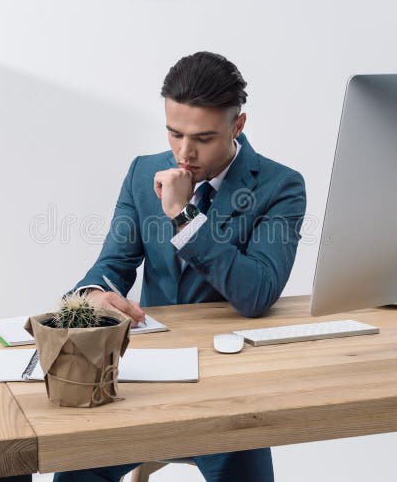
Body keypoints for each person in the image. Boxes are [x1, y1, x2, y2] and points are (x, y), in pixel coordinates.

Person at [55, 51, 306, 482]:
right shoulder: (143, 173)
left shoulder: (279, 186)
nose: (184, 152)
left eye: (203, 138)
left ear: (238, 126)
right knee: (76, 469)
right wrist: (94, 296)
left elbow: (257, 292)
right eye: (174, 133)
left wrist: (183, 217)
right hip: (146, 377)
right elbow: (112, 265)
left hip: (230, 388)